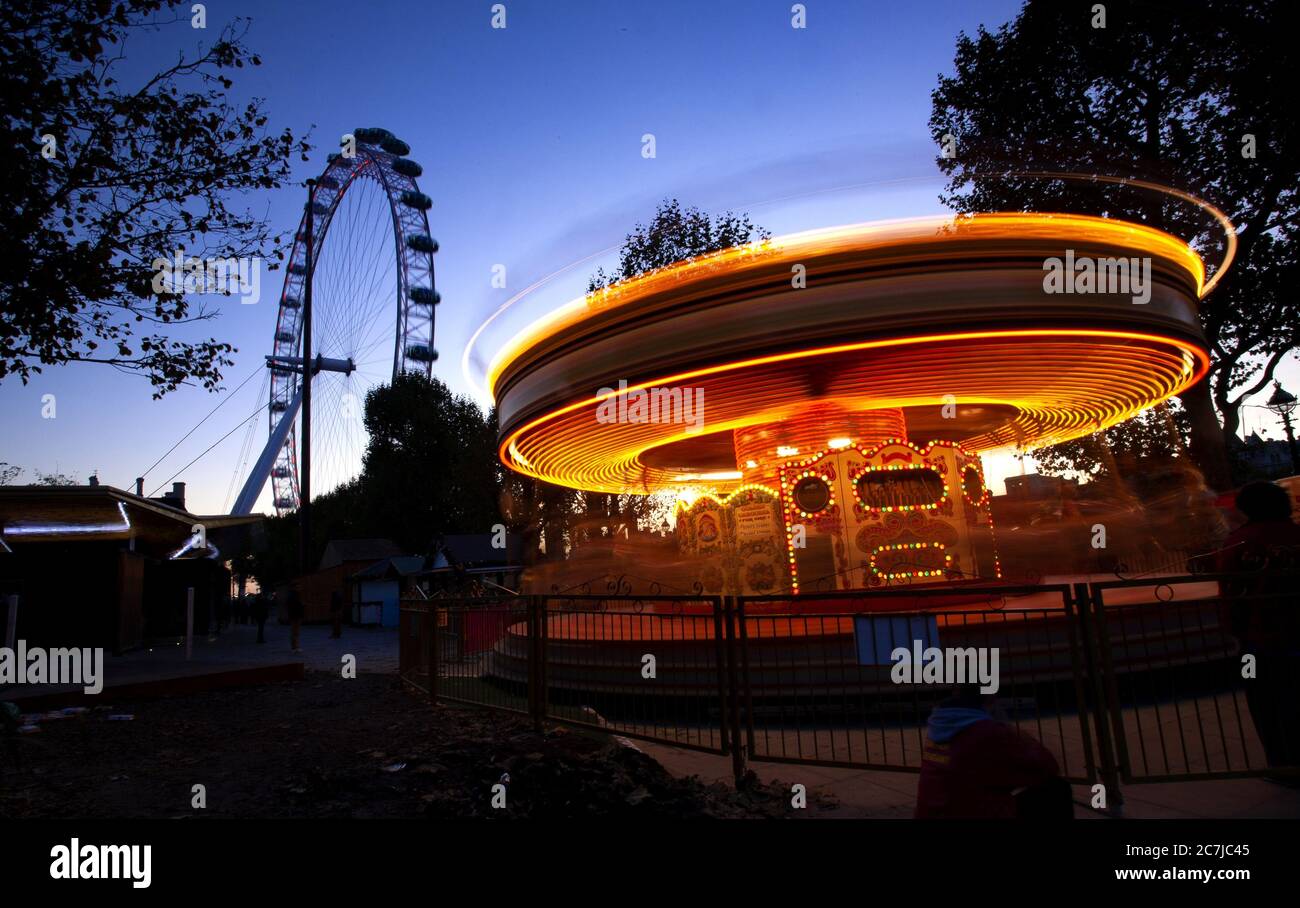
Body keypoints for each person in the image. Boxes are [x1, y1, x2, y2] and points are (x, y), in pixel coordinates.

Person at [1216, 481, 1300, 772]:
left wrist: (1233, 629)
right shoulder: (1295, 535)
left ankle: (1281, 761)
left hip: (1258, 639)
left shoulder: (1239, 542)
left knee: (1266, 700)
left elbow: (1231, 590)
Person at [915, 687, 1068, 819]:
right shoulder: (987, 731)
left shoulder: (939, 727)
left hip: (938, 812)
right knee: (1055, 789)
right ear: (990, 697)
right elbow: (1047, 765)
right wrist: (1009, 729)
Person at [287, 585, 304, 654]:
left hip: (295, 615)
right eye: (298, 587)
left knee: (295, 632)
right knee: (295, 632)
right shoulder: (294, 596)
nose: (300, 588)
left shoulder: (293, 595)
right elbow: (294, 606)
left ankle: (296, 647)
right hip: (295, 615)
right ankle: (294, 647)